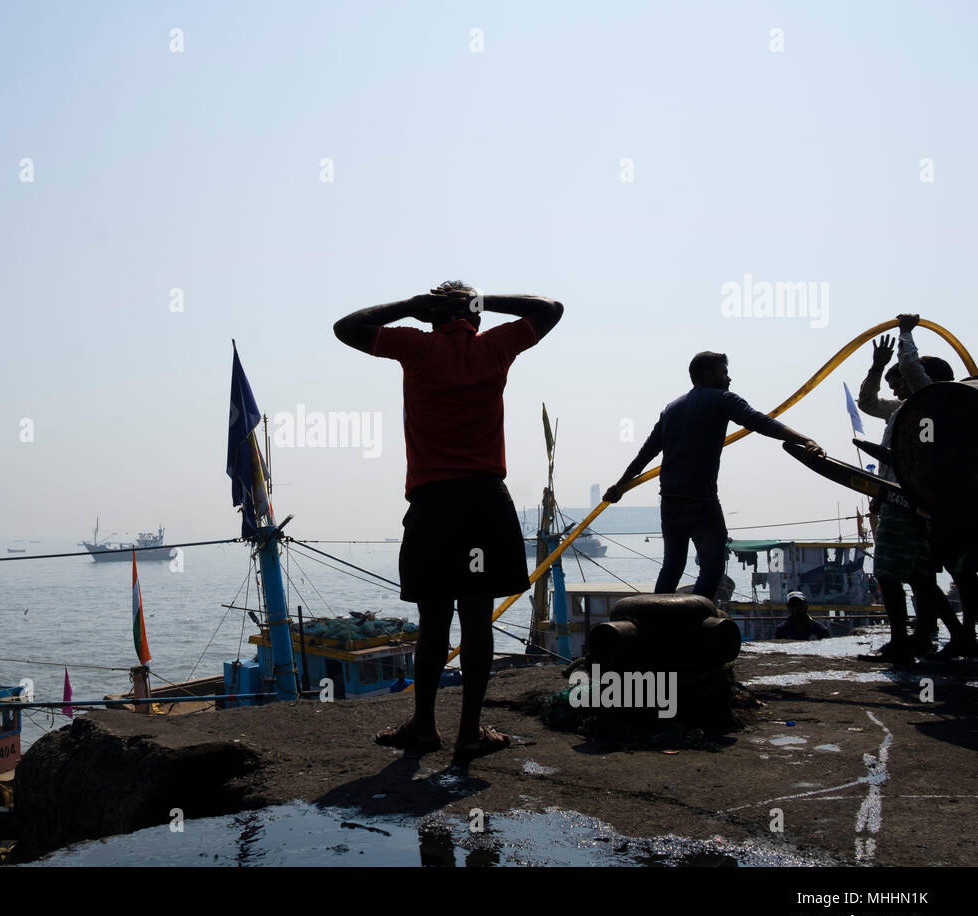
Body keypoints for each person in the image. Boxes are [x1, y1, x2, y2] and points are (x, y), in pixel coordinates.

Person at [334, 282, 563, 762]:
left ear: (432, 317)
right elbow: (550, 309)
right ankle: (470, 733)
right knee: (477, 619)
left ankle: (423, 728)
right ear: (475, 318)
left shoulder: (416, 347)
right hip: (483, 503)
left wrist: (412, 307)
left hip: (434, 505)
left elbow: (347, 328)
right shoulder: (495, 346)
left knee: (433, 620)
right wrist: (480, 303)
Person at [604, 352, 824, 600]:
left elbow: (645, 454)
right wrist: (804, 439)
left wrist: (620, 486)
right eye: (724, 372)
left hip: (670, 501)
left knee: (672, 567)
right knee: (712, 567)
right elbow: (761, 423)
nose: (729, 379)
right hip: (701, 501)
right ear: (709, 375)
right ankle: (695, 620)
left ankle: (655, 621)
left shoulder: (671, 409)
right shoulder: (723, 399)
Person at [856, 314, 966, 664]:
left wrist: (905, 332)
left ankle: (901, 642)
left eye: (900, 383)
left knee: (888, 573)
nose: (896, 389)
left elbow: (914, 369)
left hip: (906, 500)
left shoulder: (933, 403)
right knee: (920, 576)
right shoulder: (902, 410)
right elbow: (868, 404)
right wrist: (876, 367)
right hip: (902, 498)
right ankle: (953, 637)